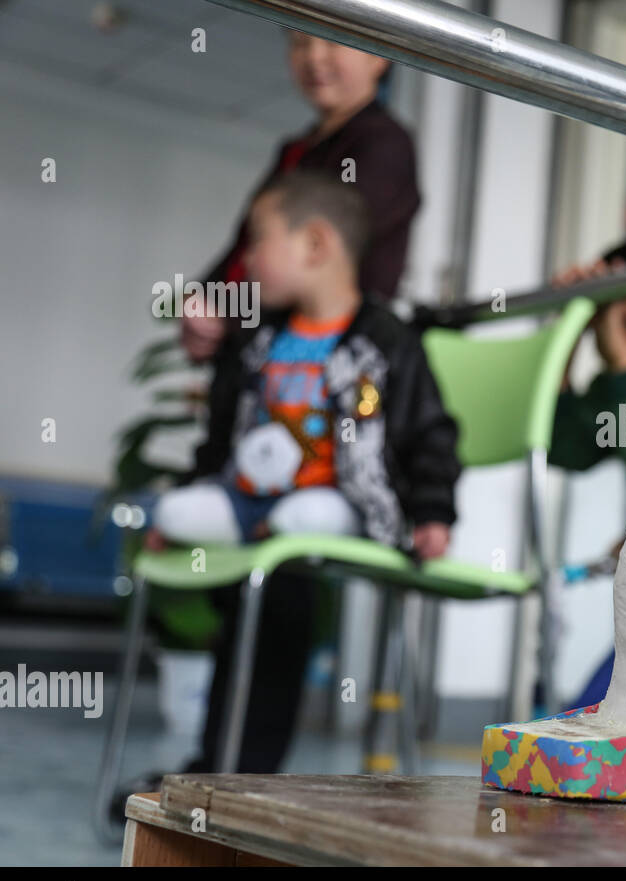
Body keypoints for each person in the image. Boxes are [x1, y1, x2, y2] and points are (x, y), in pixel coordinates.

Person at [117, 172, 459, 812]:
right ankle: (216, 771)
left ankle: (240, 778)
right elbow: (221, 439)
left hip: (332, 507)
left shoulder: (385, 342)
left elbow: (427, 432)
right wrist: (185, 507)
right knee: (183, 519)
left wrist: (433, 511)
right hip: (248, 503)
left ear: (316, 244)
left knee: (290, 554)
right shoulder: (256, 341)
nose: (246, 260)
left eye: (259, 241)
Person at [181, 30, 420, 364]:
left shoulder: (385, 144)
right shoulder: (296, 151)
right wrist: (206, 300)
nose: (313, 57)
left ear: (378, 56)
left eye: (332, 41)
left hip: (325, 362)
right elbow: (247, 245)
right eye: (299, 43)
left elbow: (318, 261)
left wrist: (226, 314)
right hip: (260, 354)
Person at [548, 237, 626, 709]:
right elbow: (566, 451)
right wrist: (569, 331)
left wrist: (620, 366)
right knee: (590, 718)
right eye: (607, 323)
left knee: (601, 723)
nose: (614, 338)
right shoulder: (621, 388)